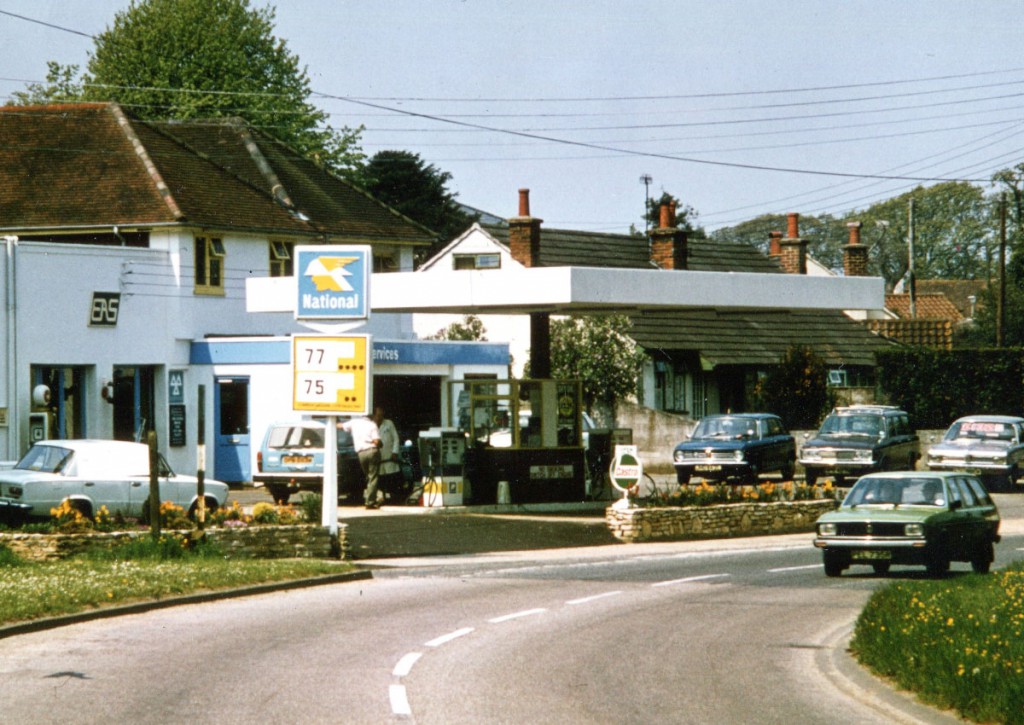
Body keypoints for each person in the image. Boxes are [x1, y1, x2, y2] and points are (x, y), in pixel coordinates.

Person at [341, 413, 382, 509]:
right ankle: (370, 501)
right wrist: (381, 444)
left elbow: (341, 425)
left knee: (368, 476)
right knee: (373, 477)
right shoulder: (372, 425)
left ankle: (371, 497)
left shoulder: (354, 422)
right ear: (371, 416)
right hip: (372, 451)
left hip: (361, 453)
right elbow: (376, 441)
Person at [375, 407, 404, 503]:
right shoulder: (372, 425)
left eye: (381, 415)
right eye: (377, 415)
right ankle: (382, 497)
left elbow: (396, 438)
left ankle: (395, 498)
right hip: (378, 456)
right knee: (381, 478)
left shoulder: (389, 423)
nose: (379, 417)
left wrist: (395, 452)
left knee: (392, 476)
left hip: (389, 455)